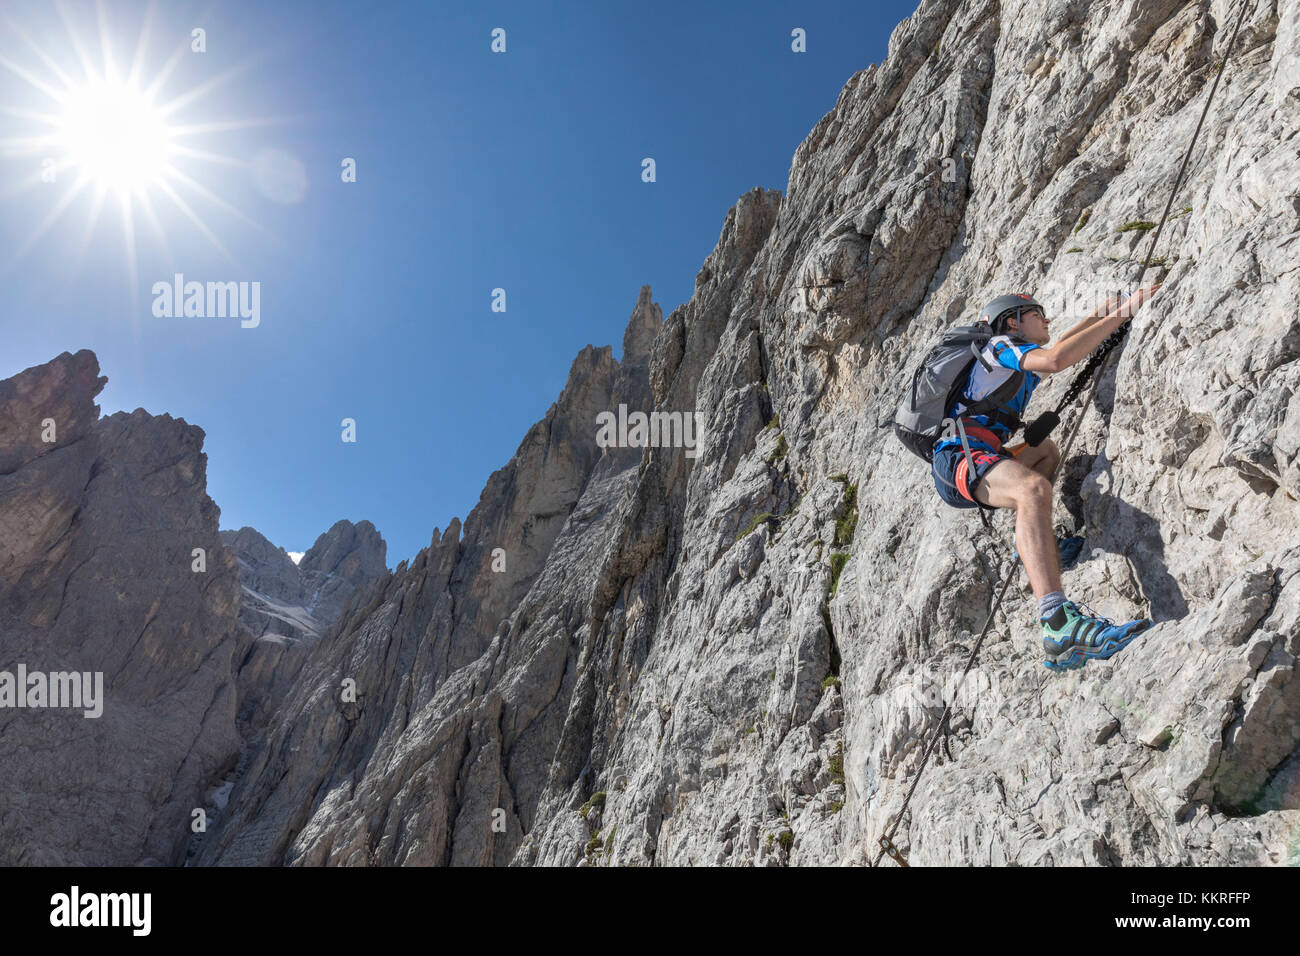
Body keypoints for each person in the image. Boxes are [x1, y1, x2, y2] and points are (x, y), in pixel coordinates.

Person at [930, 287, 1160, 671]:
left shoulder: (1013, 357)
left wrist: (1104, 312)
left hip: (978, 453)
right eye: (1037, 313)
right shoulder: (998, 348)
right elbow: (1056, 359)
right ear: (1012, 321)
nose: (1048, 319)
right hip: (959, 455)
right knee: (1032, 488)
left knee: (1046, 453)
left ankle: (1039, 546)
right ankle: (1057, 625)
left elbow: (1063, 345)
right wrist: (1129, 310)